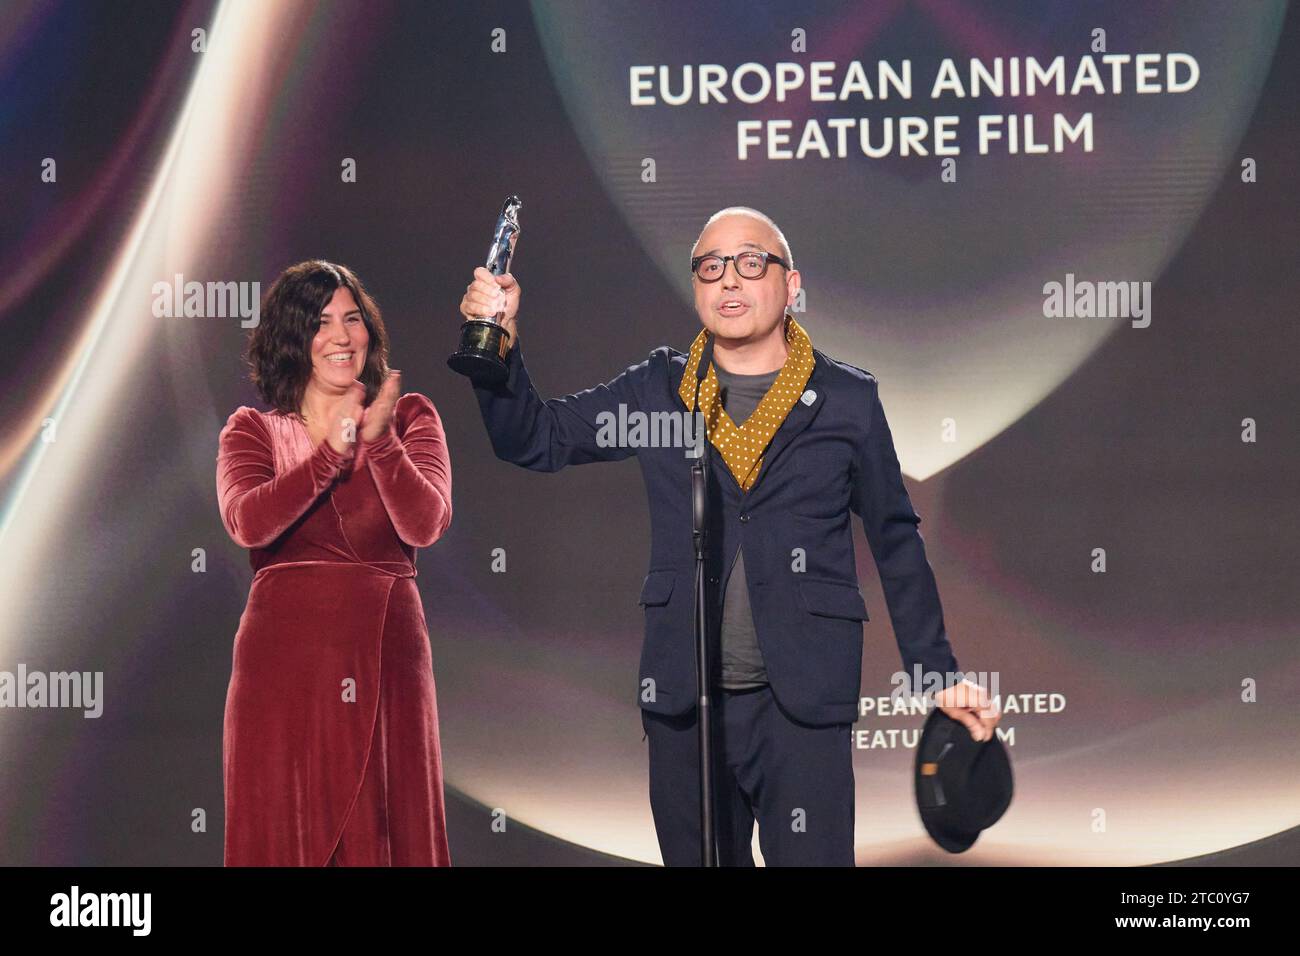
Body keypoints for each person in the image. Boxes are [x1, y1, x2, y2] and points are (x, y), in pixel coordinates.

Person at [460, 207, 1002, 867]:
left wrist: (936, 670)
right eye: (710, 267)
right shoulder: (660, 393)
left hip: (801, 706)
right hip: (689, 705)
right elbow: (535, 438)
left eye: (751, 263)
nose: (729, 281)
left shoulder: (845, 401)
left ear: (791, 283)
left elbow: (896, 540)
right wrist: (498, 347)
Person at [217, 259, 453, 866]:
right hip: (284, 667)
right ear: (293, 337)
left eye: (353, 320)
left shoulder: (409, 417)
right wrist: (330, 454)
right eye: (321, 322)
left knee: (387, 825)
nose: (342, 337)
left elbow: (424, 523)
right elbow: (248, 520)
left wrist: (377, 441)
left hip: (386, 651)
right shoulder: (253, 431)